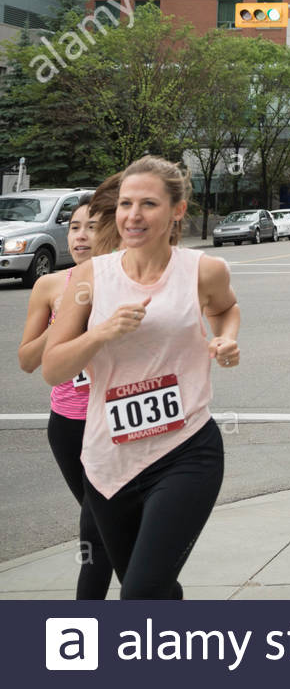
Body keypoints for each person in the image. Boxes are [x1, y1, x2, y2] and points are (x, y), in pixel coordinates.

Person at [43, 156, 242, 599]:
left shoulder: (203, 271)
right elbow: (53, 368)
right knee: (151, 586)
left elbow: (226, 308)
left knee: (139, 596)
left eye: (149, 204)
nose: (134, 215)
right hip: (108, 461)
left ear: (177, 210)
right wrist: (102, 332)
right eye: (127, 204)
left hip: (185, 450)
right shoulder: (89, 278)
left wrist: (226, 339)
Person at [18, 194, 114, 599]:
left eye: (92, 227)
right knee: (105, 527)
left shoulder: (123, 281)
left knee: (98, 528)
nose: (80, 236)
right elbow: (26, 361)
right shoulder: (48, 285)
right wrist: (59, 325)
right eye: (74, 227)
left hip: (115, 421)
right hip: (68, 424)